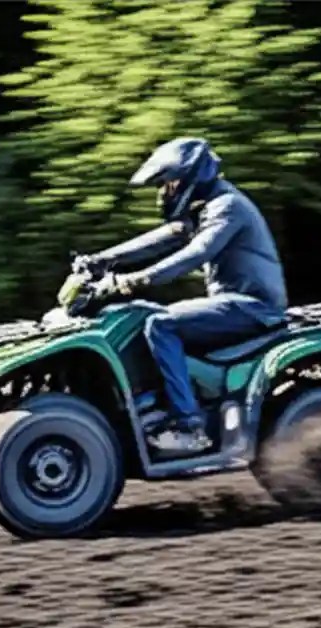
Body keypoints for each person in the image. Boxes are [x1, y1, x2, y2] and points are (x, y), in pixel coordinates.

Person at [73, 137, 289, 455]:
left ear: (191, 177)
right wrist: (101, 260)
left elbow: (196, 253)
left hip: (253, 307)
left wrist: (132, 280)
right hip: (230, 303)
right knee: (142, 316)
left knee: (161, 324)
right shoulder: (204, 207)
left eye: (168, 183)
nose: (164, 192)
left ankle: (189, 427)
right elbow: (161, 238)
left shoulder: (227, 207)